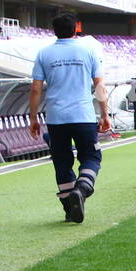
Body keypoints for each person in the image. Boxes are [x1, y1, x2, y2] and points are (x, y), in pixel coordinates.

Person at [28, 13, 109, 223]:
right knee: (91, 157)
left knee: (62, 163)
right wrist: (104, 114)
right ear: (76, 30)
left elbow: (36, 89)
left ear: (54, 31)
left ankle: (69, 209)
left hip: (56, 117)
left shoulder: (44, 53)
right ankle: (82, 190)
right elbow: (99, 85)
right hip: (83, 115)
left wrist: (34, 117)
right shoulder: (88, 51)